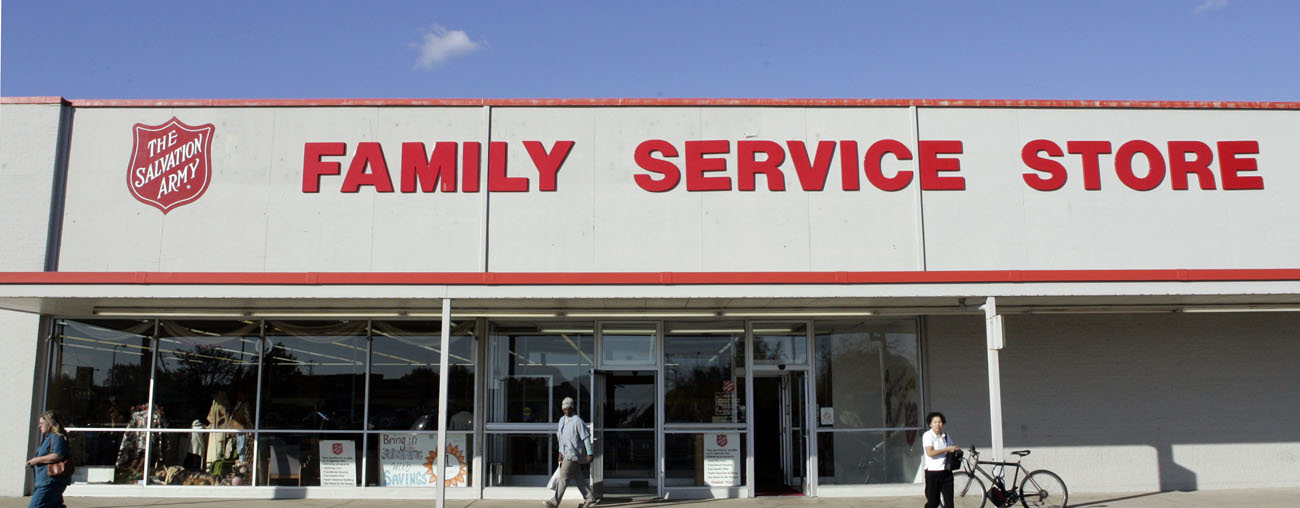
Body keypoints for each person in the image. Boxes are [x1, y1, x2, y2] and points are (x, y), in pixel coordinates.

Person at [546, 397, 595, 508]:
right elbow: (561, 438)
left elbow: (586, 437)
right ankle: (590, 498)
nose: (567, 410)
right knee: (579, 478)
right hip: (565, 454)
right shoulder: (562, 420)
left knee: (563, 478)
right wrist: (560, 452)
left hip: (573, 454)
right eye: (565, 408)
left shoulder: (577, 421)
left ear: (573, 408)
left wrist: (590, 453)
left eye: (569, 408)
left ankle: (554, 502)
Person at [26, 410, 70, 508]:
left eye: (42, 423)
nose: (39, 426)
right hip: (47, 481)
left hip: (50, 481)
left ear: (50, 423)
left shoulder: (57, 437)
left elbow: (57, 455)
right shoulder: (48, 437)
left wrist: (36, 460)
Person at [923, 411, 960, 508]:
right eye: (935, 422)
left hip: (946, 471)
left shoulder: (945, 435)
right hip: (933, 472)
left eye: (939, 422)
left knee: (949, 503)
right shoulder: (928, 435)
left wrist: (955, 449)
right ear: (930, 424)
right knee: (933, 502)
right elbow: (930, 452)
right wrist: (946, 449)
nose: (937, 424)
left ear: (943, 424)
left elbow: (951, 448)